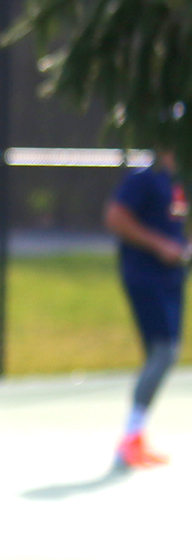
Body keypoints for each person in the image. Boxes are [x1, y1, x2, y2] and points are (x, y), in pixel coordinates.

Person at [104, 150, 188, 470]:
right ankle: (130, 438)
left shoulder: (178, 181)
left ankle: (136, 437)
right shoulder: (145, 179)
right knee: (164, 353)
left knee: (162, 354)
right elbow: (115, 217)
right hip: (146, 278)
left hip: (172, 279)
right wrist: (160, 245)